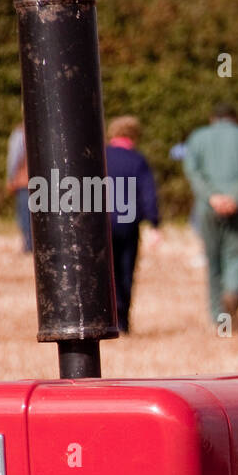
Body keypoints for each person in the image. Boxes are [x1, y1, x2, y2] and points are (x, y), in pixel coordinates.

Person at [183, 104, 238, 331]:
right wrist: (234, 197)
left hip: (208, 208)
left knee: (213, 261)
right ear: (235, 118)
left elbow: (192, 171)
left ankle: (219, 319)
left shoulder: (198, 137)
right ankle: (232, 291)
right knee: (236, 256)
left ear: (212, 118)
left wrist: (212, 197)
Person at [105, 115, 160, 333]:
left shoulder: (100, 156)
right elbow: (148, 194)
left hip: (100, 224)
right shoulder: (137, 160)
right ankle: (122, 322)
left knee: (104, 272)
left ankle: (105, 317)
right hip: (128, 225)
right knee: (125, 271)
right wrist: (154, 223)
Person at [6, 123, 31, 253]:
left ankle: (28, 247)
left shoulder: (20, 133)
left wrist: (11, 178)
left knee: (25, 216)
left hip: (24, 182)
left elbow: (14, 158)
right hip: (44, 182)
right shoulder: (47, 129)